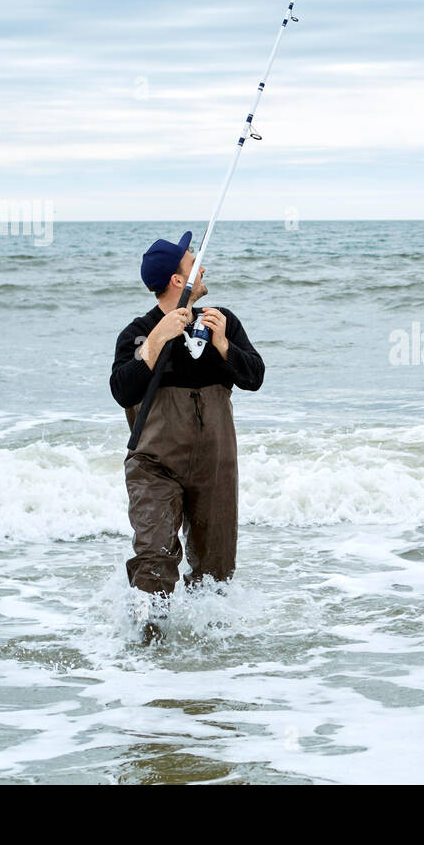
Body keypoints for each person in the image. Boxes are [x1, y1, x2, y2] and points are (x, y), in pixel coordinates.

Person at [109, 230, 264, 643]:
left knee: (215, 571)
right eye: (193, 259)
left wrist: (224, 344)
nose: (202, 263)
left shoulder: (220, 319)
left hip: (214, 464)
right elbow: (122, 389)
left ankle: (206, 658)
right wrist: (158, 340)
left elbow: (255, 377)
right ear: (178, 280)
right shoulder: (137, 333)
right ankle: (146, 651)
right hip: (153, 464)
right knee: (153, 560)